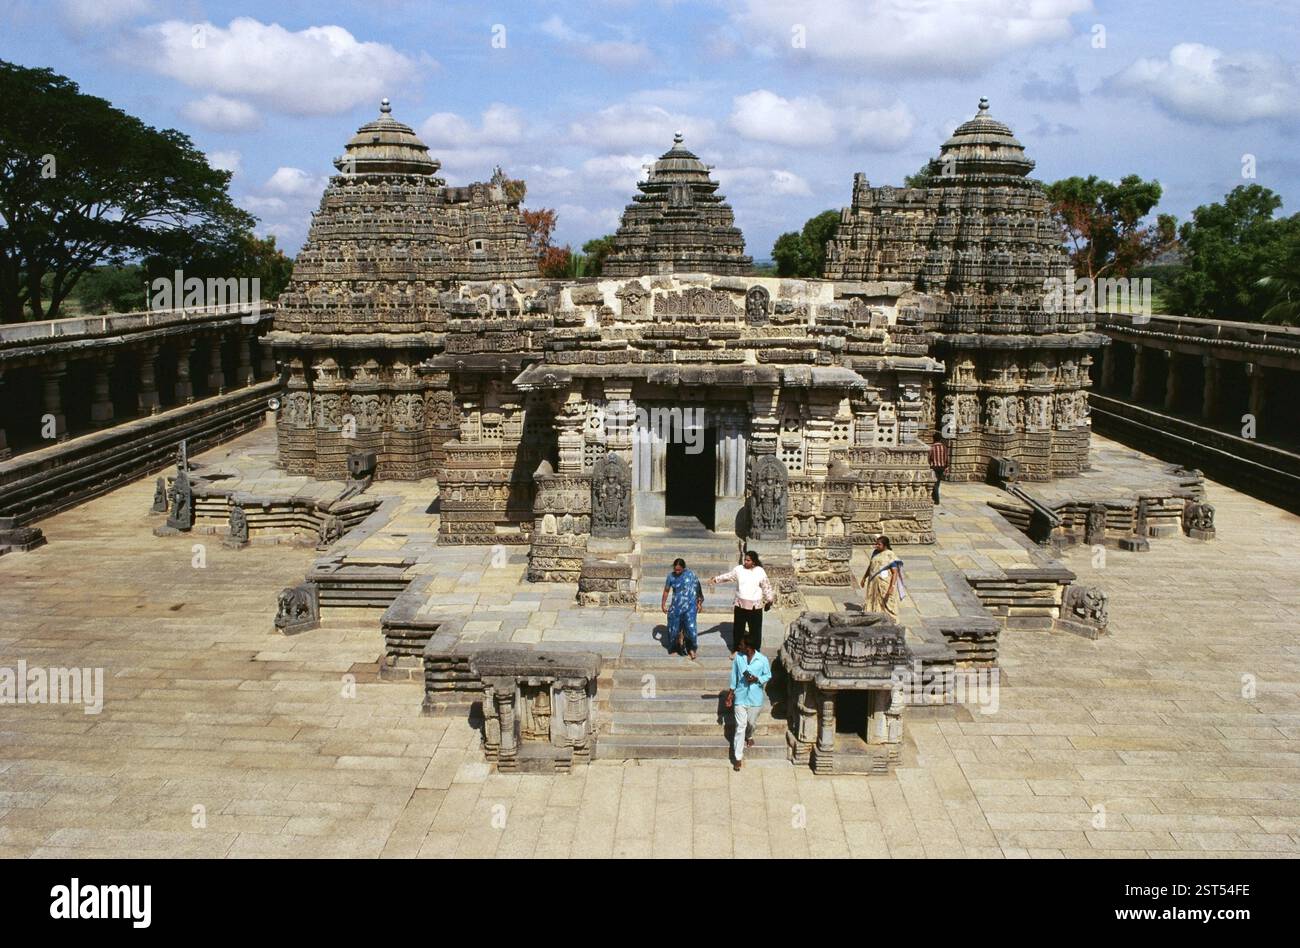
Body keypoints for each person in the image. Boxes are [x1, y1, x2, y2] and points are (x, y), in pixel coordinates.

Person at [710, 550, 774, 653]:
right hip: (740, 605)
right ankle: (736, 650)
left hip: (755, 606)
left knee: (755, 630)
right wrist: (716, 579)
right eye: (745, 560)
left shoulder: (760, 571)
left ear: (754, 561)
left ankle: (755, 650)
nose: (745, 562)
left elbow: (766, 586)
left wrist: (769, 600)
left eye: (748, 560)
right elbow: (728, 576)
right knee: (738, 629)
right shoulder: (739, 569)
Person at [728, 636, 771, 771]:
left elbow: (768, 675)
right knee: (740, 726)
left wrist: (757, 679)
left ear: (748, 647)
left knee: (751, 723)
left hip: (755, 698)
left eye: (741, 644)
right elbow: (734, 676)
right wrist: (730, 694)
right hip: (740, 697)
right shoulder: (738, 659)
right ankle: (738, 758)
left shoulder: (762, 660)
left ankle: (749, 735)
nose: (739, 646)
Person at [660, 557, 704, 660]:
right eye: (675, 569)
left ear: (684, 568)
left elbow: (698, 589)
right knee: (674, 629)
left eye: (679, 569)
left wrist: (699, 603)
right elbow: (666, 591)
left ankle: (692, 649)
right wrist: (663, 604)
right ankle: (676, 646)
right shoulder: (670, 577)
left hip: (690, 606)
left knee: (691, 630)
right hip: (676, 606)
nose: (677, 571)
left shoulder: (691, 575)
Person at [858, 535, 905, 621]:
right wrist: (864, 577)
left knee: (884, 600)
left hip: (884, 583)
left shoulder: (890, 555)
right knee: (873, 598)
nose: (876, 545)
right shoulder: (875, 552)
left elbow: (895, 573)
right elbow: (871, 566)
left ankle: (889, 619)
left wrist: (892, 586)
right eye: (876, 543)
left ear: (885, 545)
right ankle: (874, 615)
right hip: (873, 582)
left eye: (879, 544)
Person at [929, 434, 949, 504]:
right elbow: (946, 458)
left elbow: (929, 458)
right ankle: (934, 497)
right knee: (938, 483)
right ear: (940, 439)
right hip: (942, 467)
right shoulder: (944, 447)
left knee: (935, 483)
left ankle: (936, 500)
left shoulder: (932, 447)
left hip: (934, 467)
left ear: (934, 439)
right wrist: (946, 466)